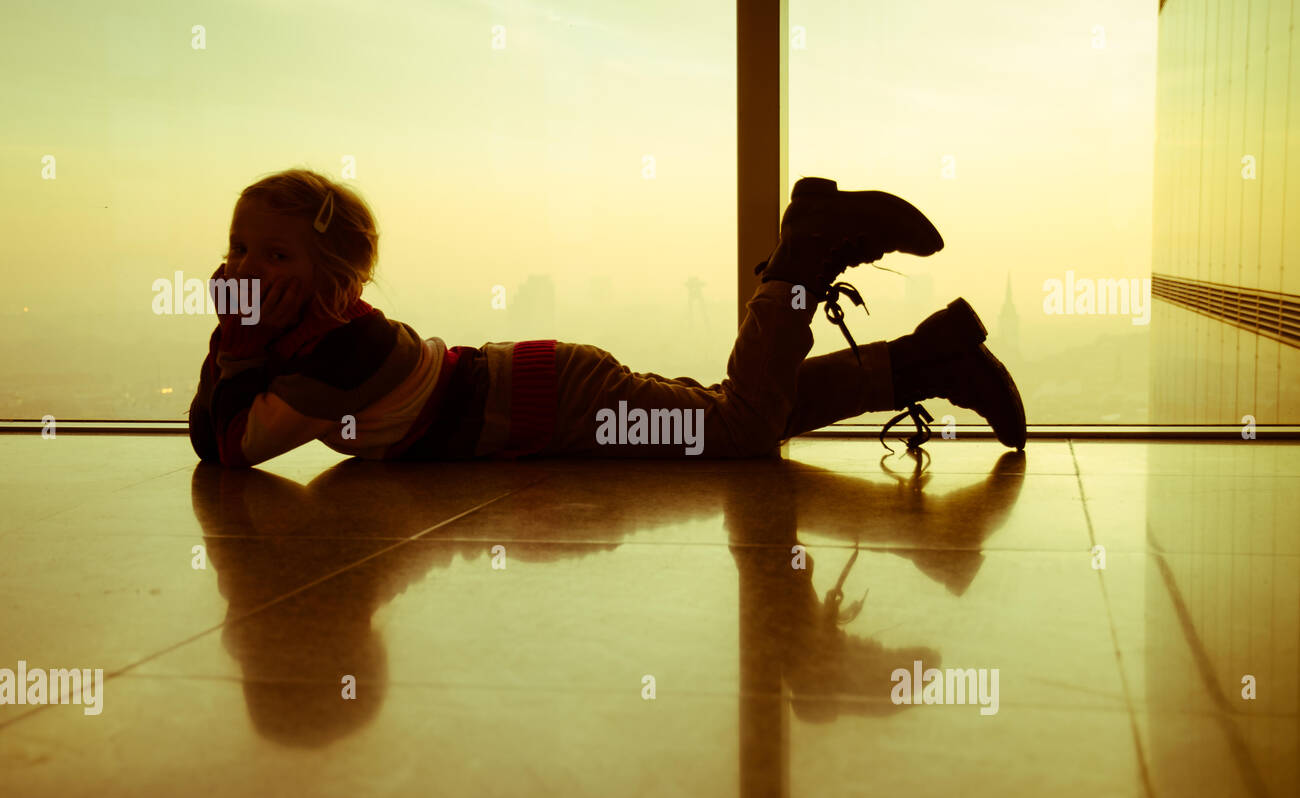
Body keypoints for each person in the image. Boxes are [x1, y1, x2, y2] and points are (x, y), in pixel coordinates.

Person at [189, 169, 1024, 468]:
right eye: (240, 249)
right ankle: (926, 361)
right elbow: (223, 430)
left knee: (737, 430)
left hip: (555, 402)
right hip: (547, 389)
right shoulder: (318, 340)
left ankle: (802, 260)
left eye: (276, 256)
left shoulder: (342, 353)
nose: (247, 270)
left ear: (334, 276)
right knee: (741, 411)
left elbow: (232, 449)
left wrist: (235, 335)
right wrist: (245, 334)